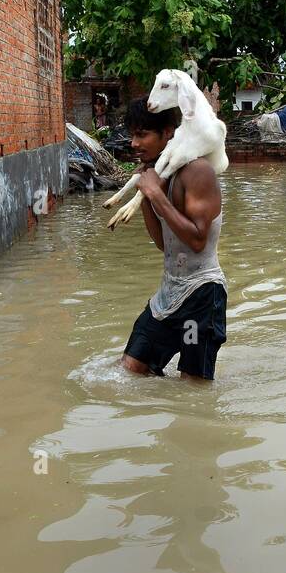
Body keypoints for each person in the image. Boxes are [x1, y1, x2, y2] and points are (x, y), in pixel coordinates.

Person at [120, 97, 227, 380]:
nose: (133, 143)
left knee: (193, 388)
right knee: (132, 370)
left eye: (141, 134)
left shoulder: (197, 171)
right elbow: (162, 243)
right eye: (132, 135)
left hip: (202, 296)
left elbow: (196, 241)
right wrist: (145, 196)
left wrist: (155, 194)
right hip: (168, 295)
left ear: (167, 133)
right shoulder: (159, 174)